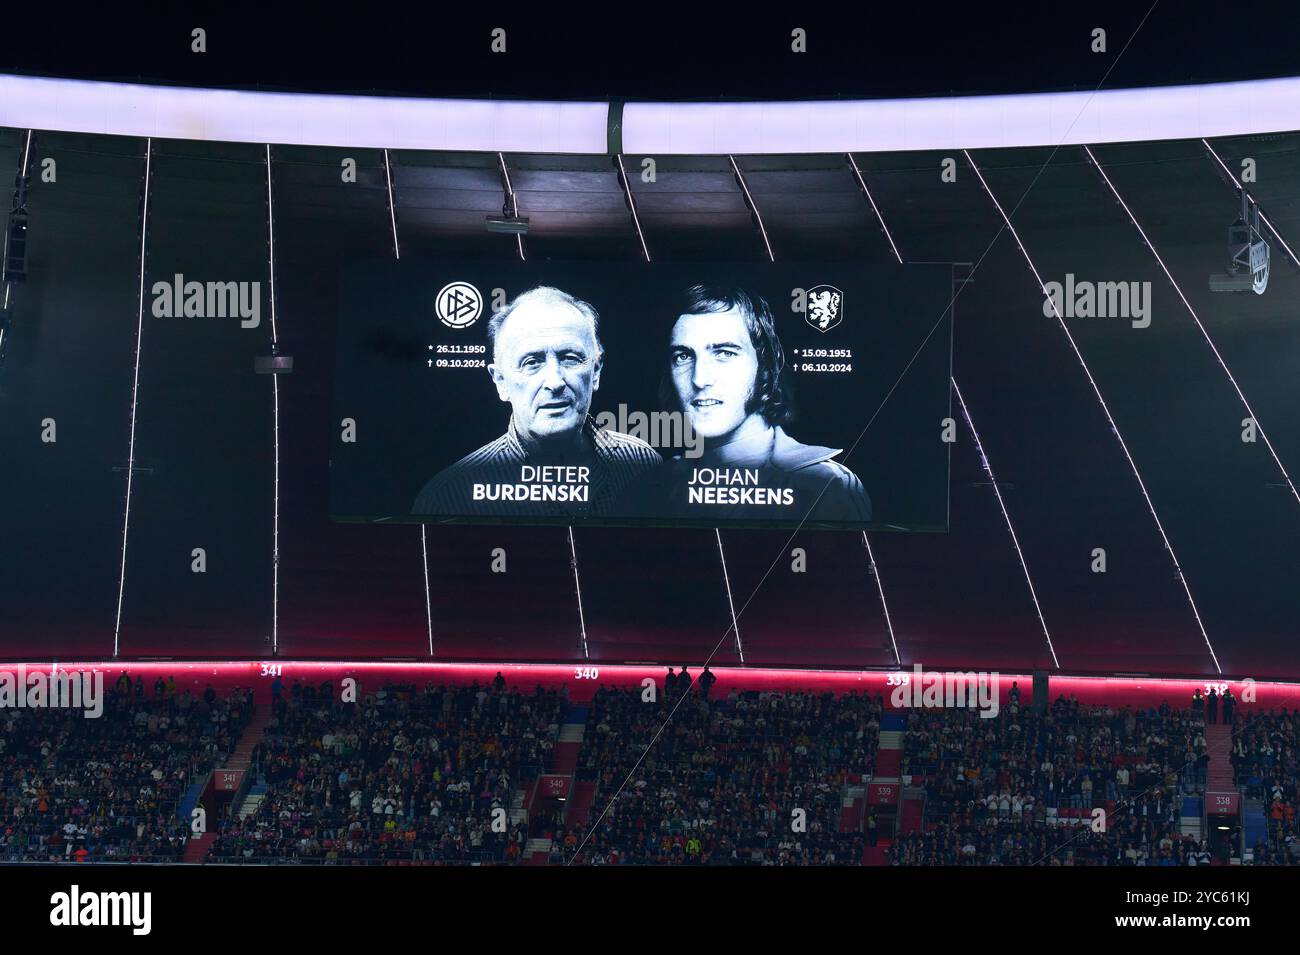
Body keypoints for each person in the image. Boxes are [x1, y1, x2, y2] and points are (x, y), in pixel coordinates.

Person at [630, 284, 871, 524]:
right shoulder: (653, 486)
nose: (699, 379)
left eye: (724, 353)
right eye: (683, 356)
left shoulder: (825, 485)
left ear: (765, 366)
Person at [413, 286, 661, 518]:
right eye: (531, 362)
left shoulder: (643, 464)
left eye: (570, 358)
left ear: (596, 371)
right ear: (500, 382)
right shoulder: (448, 495)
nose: (554, 382)